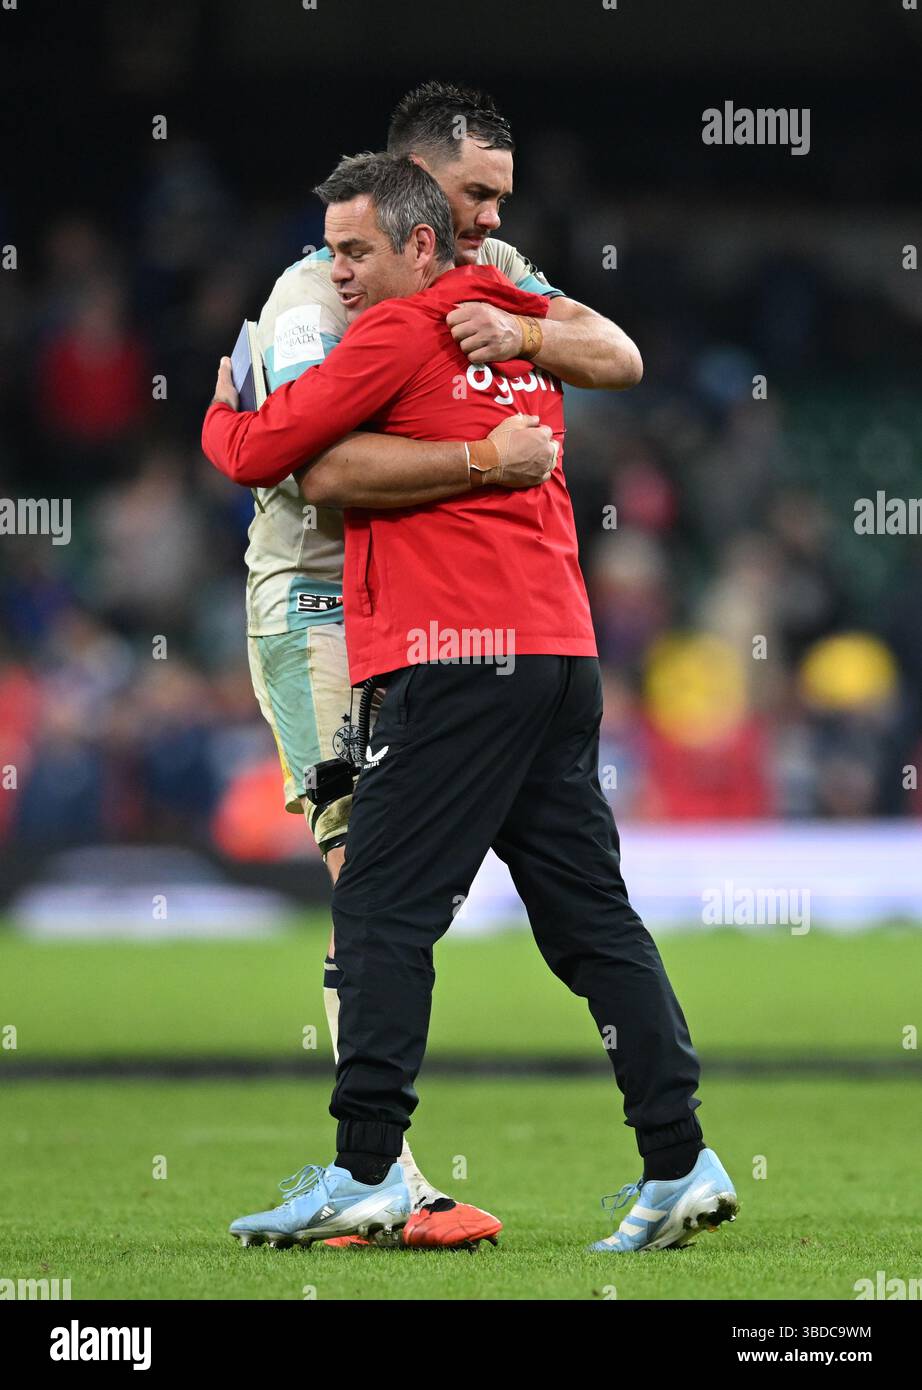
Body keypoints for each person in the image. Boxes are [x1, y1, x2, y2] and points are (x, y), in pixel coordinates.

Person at [203, 153, 739, 1254]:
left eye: (355, 251)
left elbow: (278, 457)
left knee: (383, 908)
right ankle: (680, 1156)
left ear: (417, 243)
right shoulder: (512, 318)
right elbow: (614, 357)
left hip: (449, 660)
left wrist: (220, 415)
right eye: (333, 253)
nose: (336, 273)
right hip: (560, 653)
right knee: (591, 920)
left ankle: (363, 1172)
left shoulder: (397, 332)